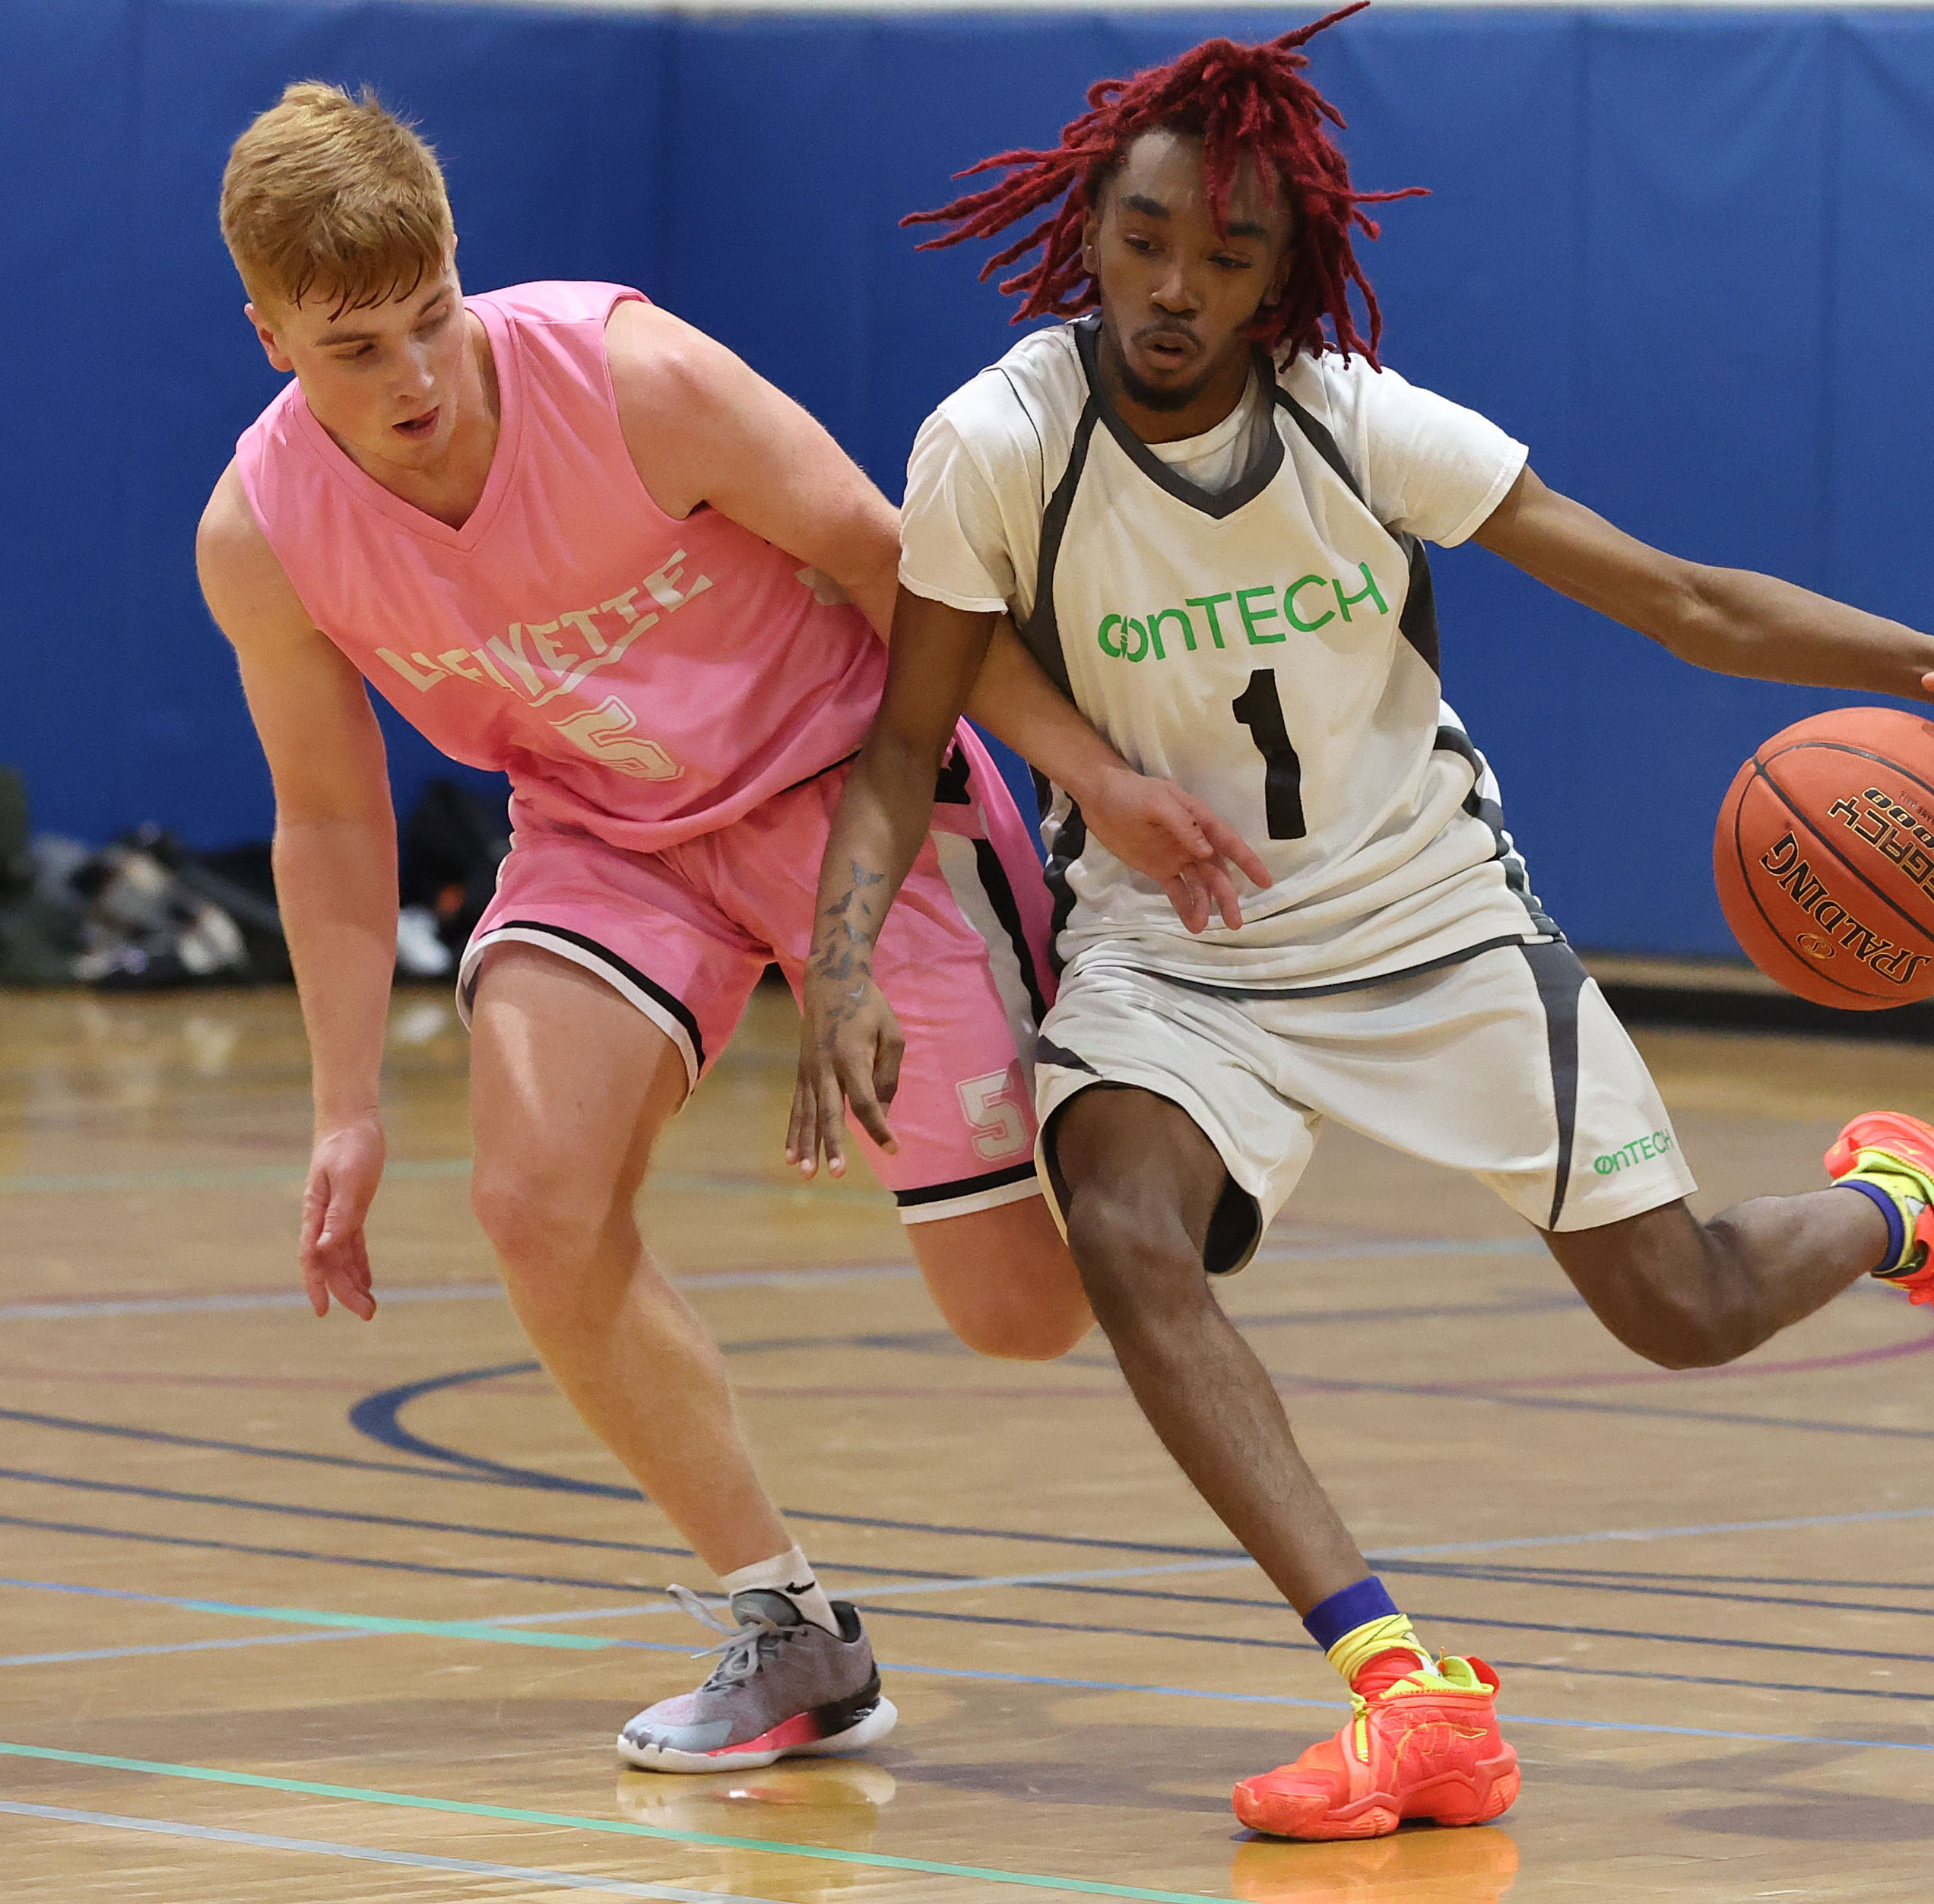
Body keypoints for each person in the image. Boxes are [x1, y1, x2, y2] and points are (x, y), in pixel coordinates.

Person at [791, 3, 1934, 1842]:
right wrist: (838, 961)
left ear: (1281, 280)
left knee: (1687, 1306)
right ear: (1090, 225)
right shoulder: (998, 442)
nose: (1175, 284)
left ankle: (1904, 1209)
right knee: (1123, 1221)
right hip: (1181, 941)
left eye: (1226, 255)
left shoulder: (1358, 427)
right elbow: (904, 739)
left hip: (1430, 911)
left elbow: (1682, 603)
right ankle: (1407, 1691)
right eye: (1148, 237)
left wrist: (1921, 656)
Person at [195, 81, 1260, 1776]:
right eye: (353, 350)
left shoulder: (631, 380)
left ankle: (1194, 1053)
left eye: (428, 322)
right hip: (608, 830)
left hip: (855, 791)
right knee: (534, 1200)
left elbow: (894, 568)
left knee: (1019, 1311)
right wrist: (345, 1103)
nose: (412, 381)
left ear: (461, 268)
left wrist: (1090, 776)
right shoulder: (262, 537)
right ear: (268, 338)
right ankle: (792, 1630)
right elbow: (328, 816)